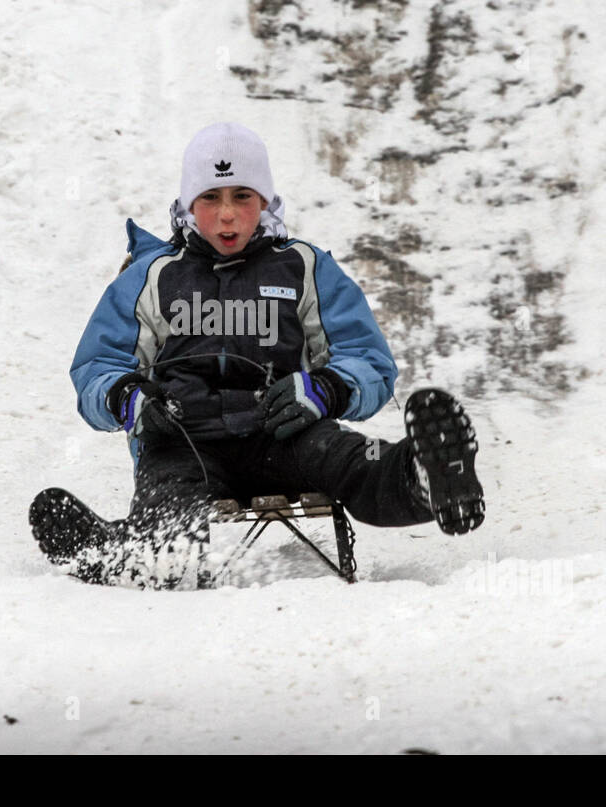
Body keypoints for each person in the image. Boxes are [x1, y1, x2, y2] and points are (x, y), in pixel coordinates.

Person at [39, 122, 484, 586]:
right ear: (188, 204)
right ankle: (138, 553)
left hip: (283, 433)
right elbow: (99, 364)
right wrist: (129, 401)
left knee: (347, 459)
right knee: (168, 506)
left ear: (266, 202)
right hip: (184, 442)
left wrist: (325, 389)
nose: (227, 215)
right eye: (211, 198)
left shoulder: (305, 268)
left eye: (242, 197)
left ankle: (423, 477)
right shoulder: (153, 276)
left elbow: (366, 357)